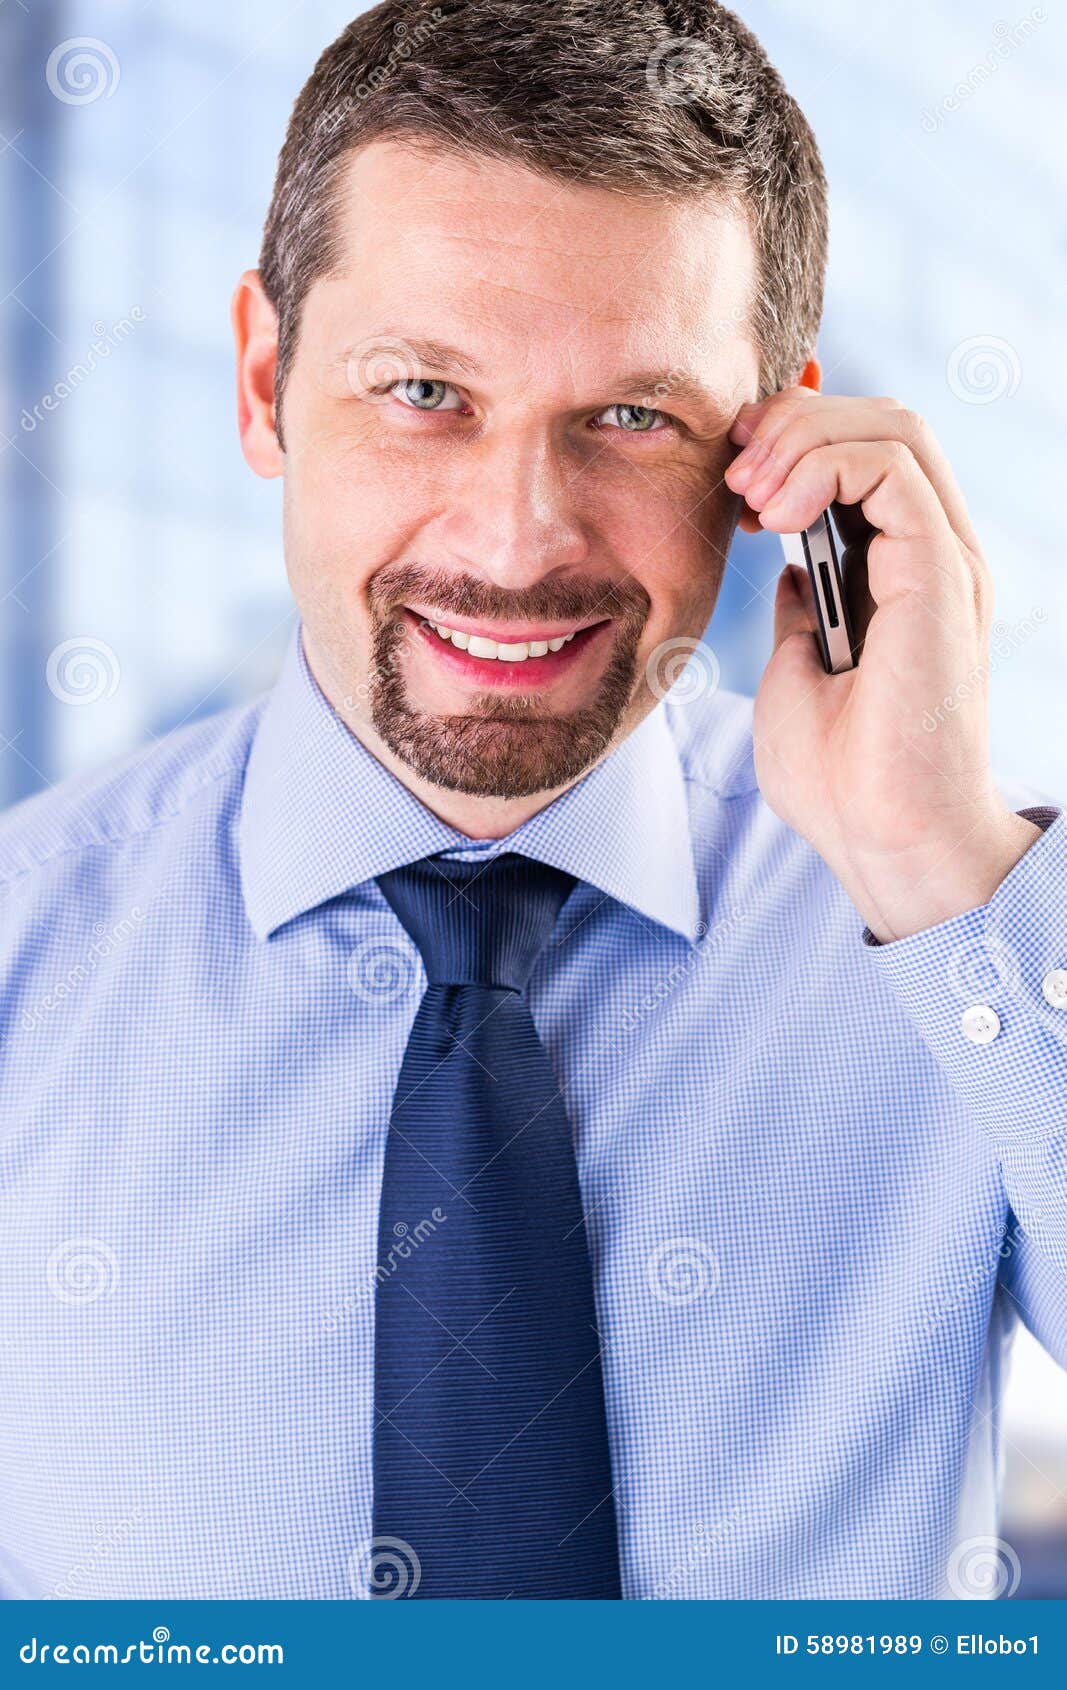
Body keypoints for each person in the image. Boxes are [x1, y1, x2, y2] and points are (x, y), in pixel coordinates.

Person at [1, 0, 1063, 1602]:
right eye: (425, 390)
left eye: (632, 417)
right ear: (264, 380)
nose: (516, 541)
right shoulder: (28, 943)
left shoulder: (954, 939)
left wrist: (936, 867)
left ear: (775, 446)